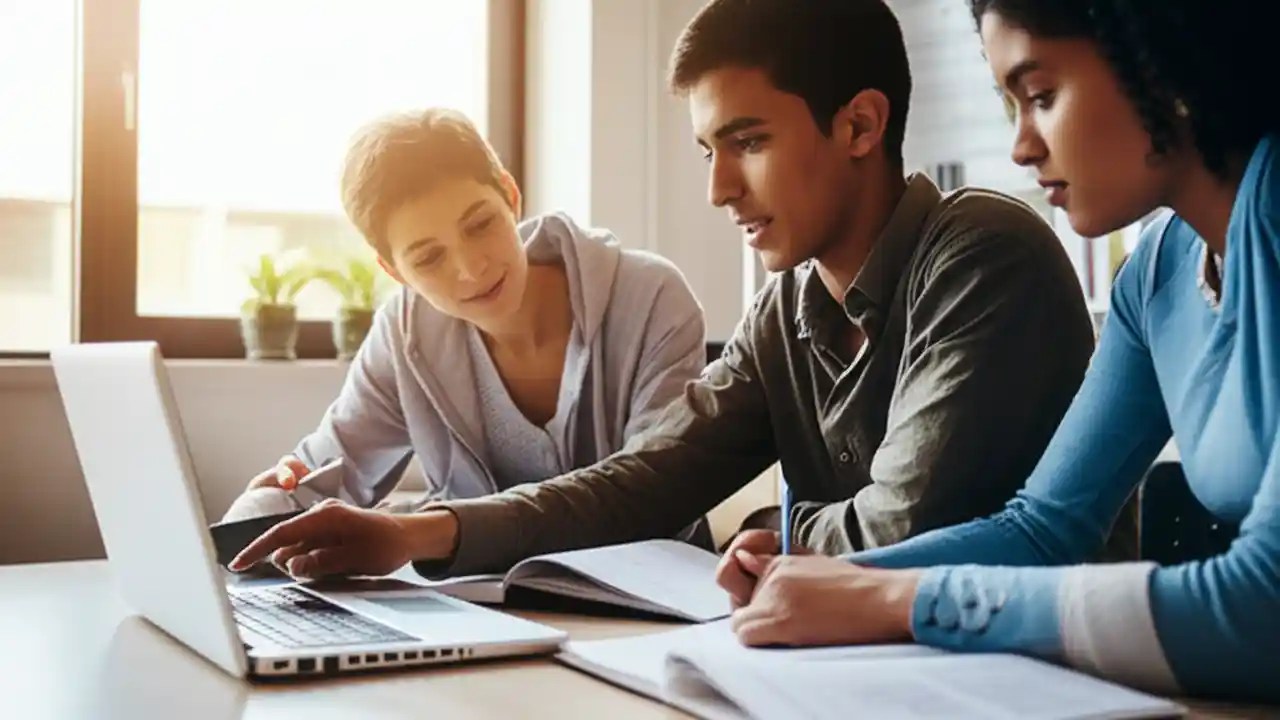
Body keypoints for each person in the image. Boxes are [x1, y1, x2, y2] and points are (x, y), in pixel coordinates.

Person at [230, 0, 1098, 584]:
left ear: (859, 125)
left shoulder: (982, 254)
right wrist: (416, 533)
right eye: (707, 151)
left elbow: (902, 526)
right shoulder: (786, 310)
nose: (718, 189)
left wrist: (777, 530)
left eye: (747, 143)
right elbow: (643, 481)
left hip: (1028, 685)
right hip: (862, 667)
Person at [717, 0, 1280, 704]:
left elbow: (1263, 609)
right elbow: (1042, 529)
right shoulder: (1155, 274)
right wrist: (828, 577)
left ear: (1160, 61)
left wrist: (893, 600)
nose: (1021, 147)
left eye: (1041, 95)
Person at [222, 107, 712, 555]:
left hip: (646, 602)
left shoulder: (650, 297)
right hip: (481, 606)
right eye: (428, 257)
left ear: (511, 196)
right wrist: (247, 523)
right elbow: (317, 476)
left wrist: (420, 531)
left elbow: (658, 496)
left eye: (480, 225)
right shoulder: (404, 334)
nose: (471, 268)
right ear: (394, 272)